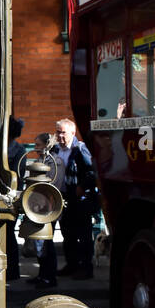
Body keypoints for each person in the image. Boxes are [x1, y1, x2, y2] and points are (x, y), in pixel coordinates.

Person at [50, 117, 97, 279]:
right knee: (67, 234)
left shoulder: (80, 149)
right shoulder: (55, 150)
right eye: (58, 132)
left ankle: (86, 268)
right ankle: (72, 265)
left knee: (83, 235)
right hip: (62, 198)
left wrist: (82, 187)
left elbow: (92, 172)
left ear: (72, 132)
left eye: (63, 133)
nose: (60, 136)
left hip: (79, 199)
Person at [33, 131, 58, 289]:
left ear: (46, 146)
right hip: (38, 206)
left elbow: (55, 184)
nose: (35, 148)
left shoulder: (55, 162)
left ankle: (49, 277)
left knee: (47, 242)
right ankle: (42, 274)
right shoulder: (39, 160)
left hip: (49, 207)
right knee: (39, 242)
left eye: (38, 145)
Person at [6, 116, 27, 281]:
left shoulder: (17, 151)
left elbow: (16, 176)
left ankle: (12, 271)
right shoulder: (18, 150)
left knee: (9, 234)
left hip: (10, 195)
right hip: (10, 193)